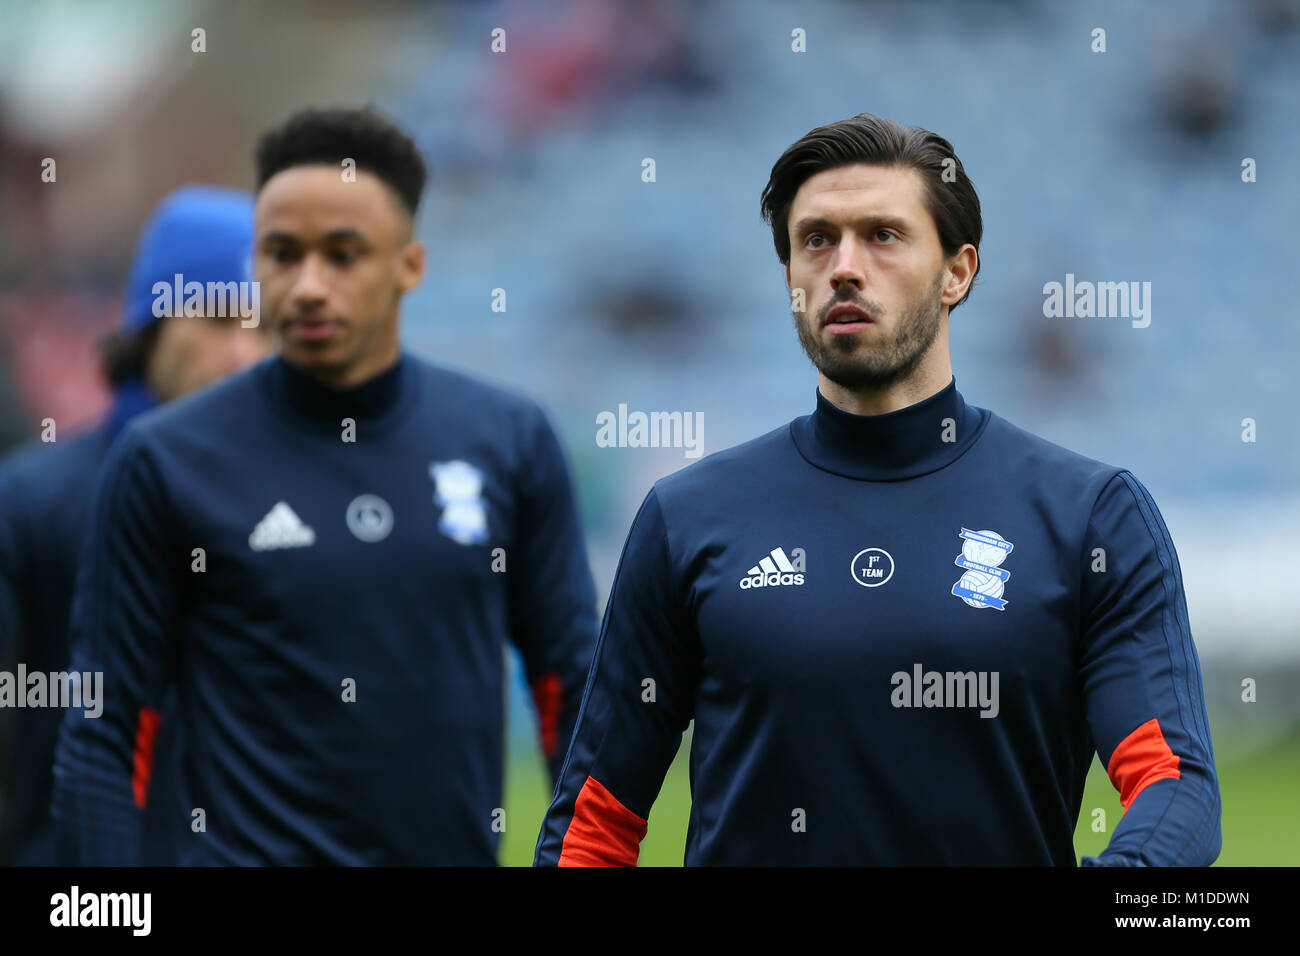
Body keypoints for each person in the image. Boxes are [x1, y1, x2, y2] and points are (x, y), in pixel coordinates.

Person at [535, 113, 1220, 866]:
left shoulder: (1088, 517)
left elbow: (1174, 786)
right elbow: (592, 826)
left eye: (883, 236)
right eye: (816, 239)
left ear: (958, 271)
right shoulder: (687, 516)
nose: (845, 267)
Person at [53, 105, 597, 865]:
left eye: (343, 255)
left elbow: (570, 693)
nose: (309, 286)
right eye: (283, 254)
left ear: (409, 265)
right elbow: (105, 729)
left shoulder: (506, 439)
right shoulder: (164, 459)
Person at [0, 185, 268, 864]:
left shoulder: (301, 509)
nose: (241, 354)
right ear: (151, 324)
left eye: (261, 326)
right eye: (215, 320)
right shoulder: (32, 504)